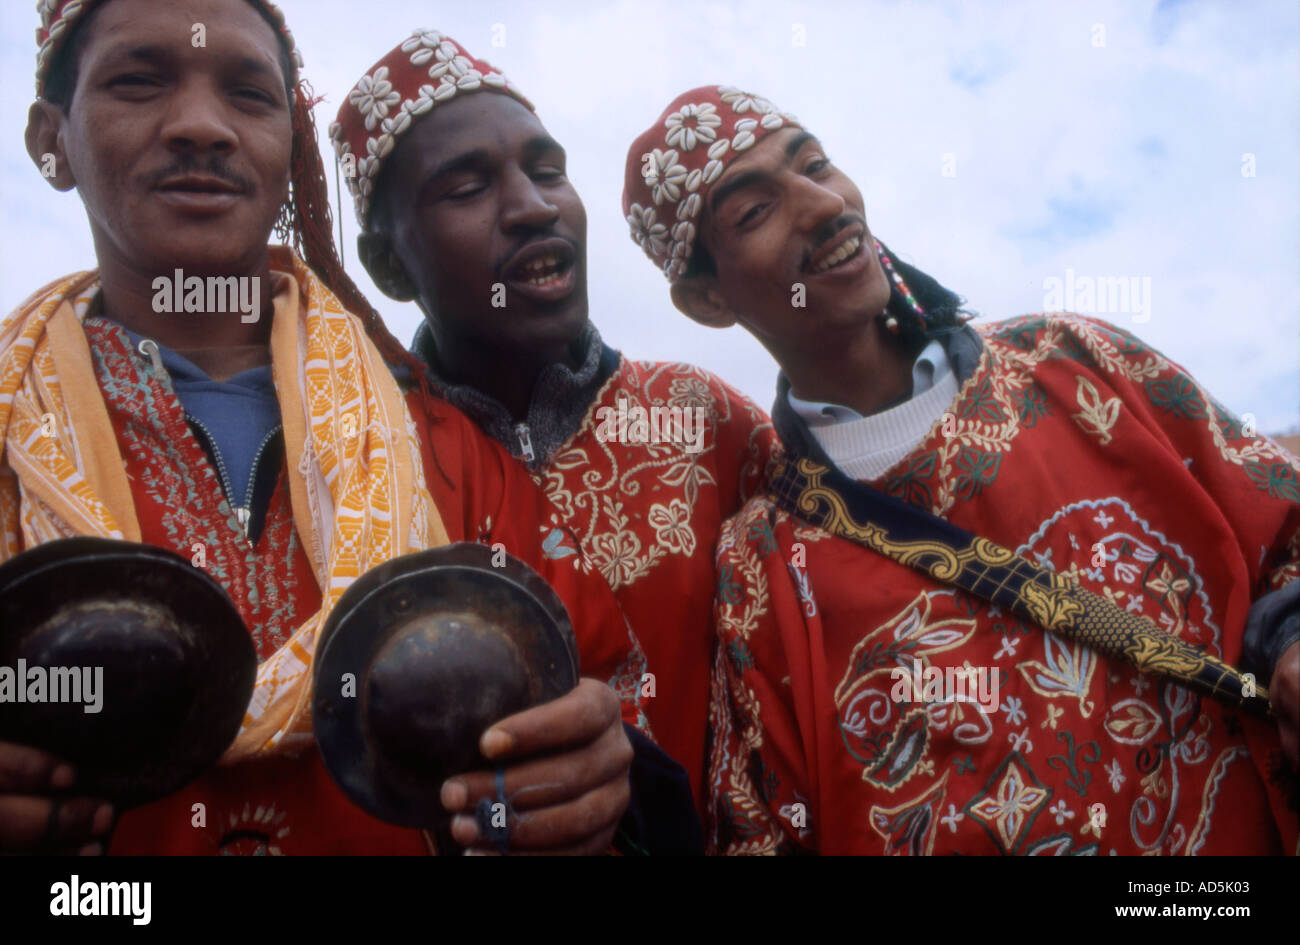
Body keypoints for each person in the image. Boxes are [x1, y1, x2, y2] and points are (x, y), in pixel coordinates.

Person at [0, 0, 649, 856]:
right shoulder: (12, 425)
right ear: (51, 140)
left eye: (248, 94)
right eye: (139, 81)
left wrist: (584, 798)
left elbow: (599, 712)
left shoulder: (449, 455)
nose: (201, 125)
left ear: (290, 151)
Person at [621, 85, 1300, 854]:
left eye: (816, 165)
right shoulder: (761, 571)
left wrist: (1292, 638)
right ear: (707, 298)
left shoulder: (1075, 365)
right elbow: (763, 830)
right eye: (755, 212)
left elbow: (1281, 526)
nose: (824, 205)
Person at [330, 30, 777, 817]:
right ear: (388, 265)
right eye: (467, 188)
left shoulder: (707, 421)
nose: (535, 208)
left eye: (547, 172)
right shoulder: (359, 459)